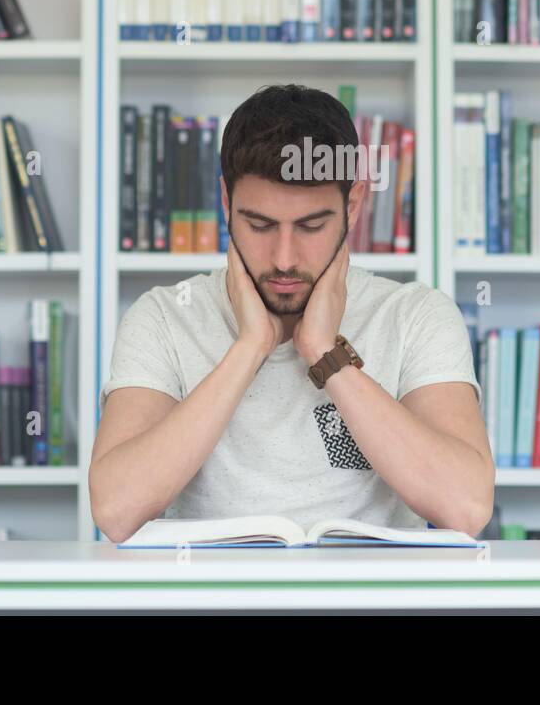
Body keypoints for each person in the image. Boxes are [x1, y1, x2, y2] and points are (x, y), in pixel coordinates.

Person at [90, 84, 493, 542]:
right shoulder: (163, 317)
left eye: (311, 226)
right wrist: (250, 347)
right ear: (226, 203)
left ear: (353, 205)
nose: (284, 258)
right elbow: (115, 510)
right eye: (259, 225)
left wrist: (325, 352)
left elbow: (466, 507)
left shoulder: (415, 315)